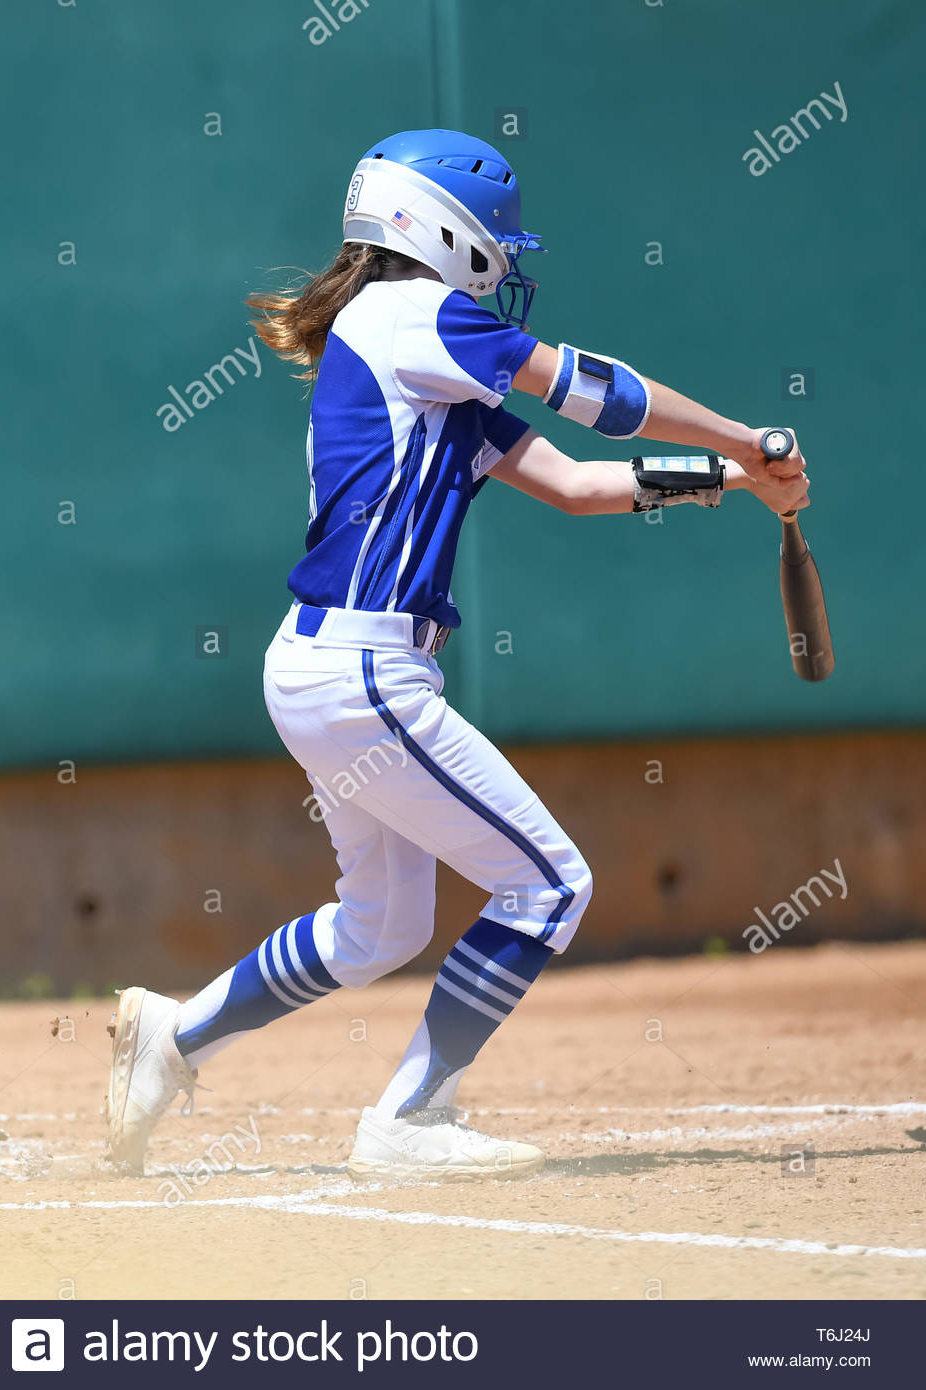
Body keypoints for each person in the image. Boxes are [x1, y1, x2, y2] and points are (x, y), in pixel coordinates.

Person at [105, 129, 809, 1179]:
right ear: (438, 230)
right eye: (497, 241)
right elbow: (596, 392)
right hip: (364, 672)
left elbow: (576, 482)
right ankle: (411, 1119)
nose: (506, 263)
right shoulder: (412, 315)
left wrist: (731, 477)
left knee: (379, 928)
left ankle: (169, 1038)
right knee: (549, 885)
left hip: (322, 668)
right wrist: (749, 437)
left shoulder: (408, 346)